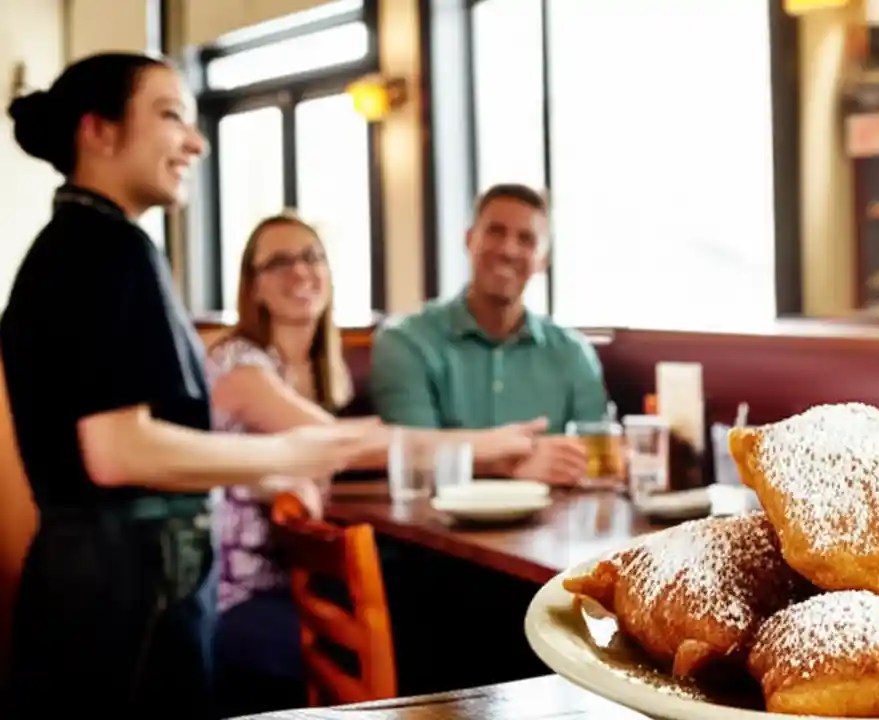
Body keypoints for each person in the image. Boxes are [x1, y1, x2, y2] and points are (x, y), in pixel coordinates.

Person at [1, 53, 384, 717]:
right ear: (100, 132)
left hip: (97, 578)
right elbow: (119, 451)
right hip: (128, 584)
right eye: (172, 114)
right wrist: (288, 453)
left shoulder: (78, 244)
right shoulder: (107, 247)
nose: (197, 142)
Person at [207, 212, 543, 716]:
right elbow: (340, 444)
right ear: (253, 287)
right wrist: (491, 446)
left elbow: (341, 452)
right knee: (442, 639)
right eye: (278, 262)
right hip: (235, 600)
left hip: (298, 583)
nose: (299, 272)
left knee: (460, 616)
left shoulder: (320, 375)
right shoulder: (238, 365)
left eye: (310, 256)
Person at [370, 183, 607, 486]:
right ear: (469, 240)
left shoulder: (574, 353)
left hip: (554, 525)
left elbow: (595, 460)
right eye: (495, 232)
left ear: (542, 260)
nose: (508, 250)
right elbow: (410, 457)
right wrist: (508, 466)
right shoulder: (404, 342)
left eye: (526, 239)